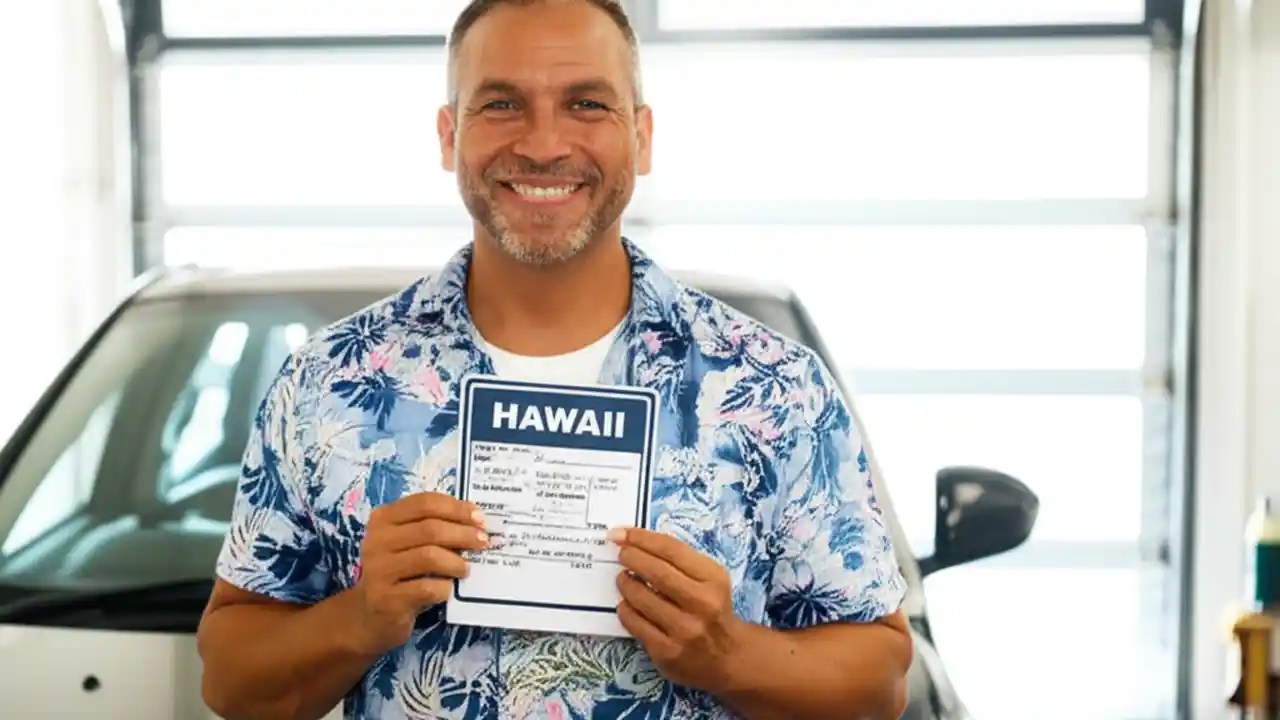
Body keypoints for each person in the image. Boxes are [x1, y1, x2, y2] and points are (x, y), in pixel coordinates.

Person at [195, 0, 913, 718]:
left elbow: (879, 687)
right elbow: (230, 683)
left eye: (587, 103)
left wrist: (728, 653)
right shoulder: (330, 383)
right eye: (502, 103)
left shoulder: (772, 388)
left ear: (642, 135)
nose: (543, 144)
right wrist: (357, 619)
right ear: (450, 135)